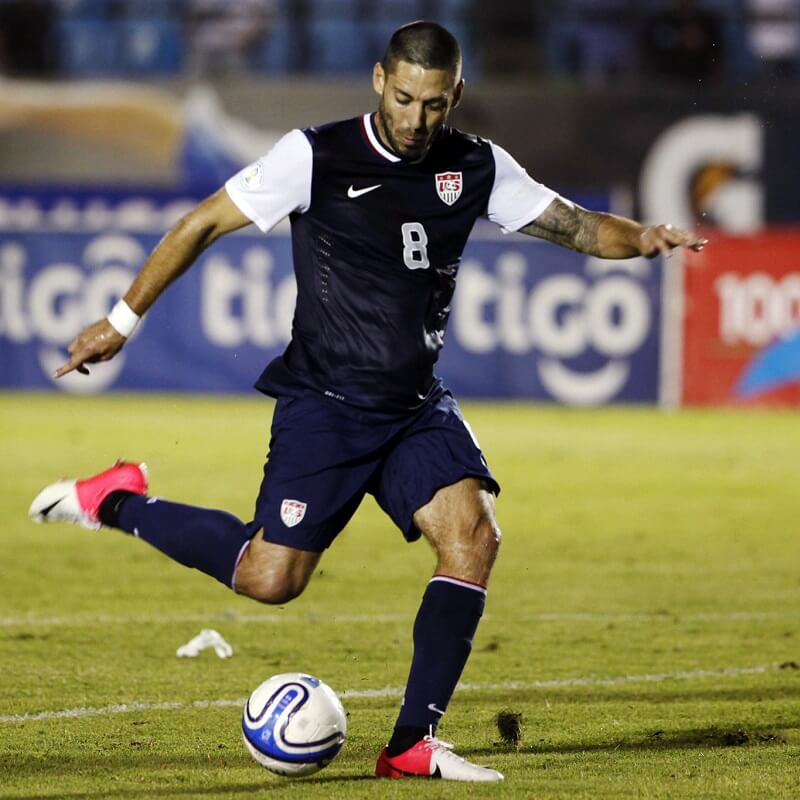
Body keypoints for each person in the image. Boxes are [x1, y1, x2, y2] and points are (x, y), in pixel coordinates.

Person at [29, 21, 707, 782]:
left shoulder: (476, 166)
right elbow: (204, 222)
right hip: (326, 404)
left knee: (474, 538)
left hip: (415, 405)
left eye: (434, 105)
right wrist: (122, 320)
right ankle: (118, 500)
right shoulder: (314, 155)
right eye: (406, 98)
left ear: (457, 96)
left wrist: (642, 236)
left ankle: (412, 743)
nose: (417, 120)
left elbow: (577, 226)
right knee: (269, 579)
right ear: (381, 80)